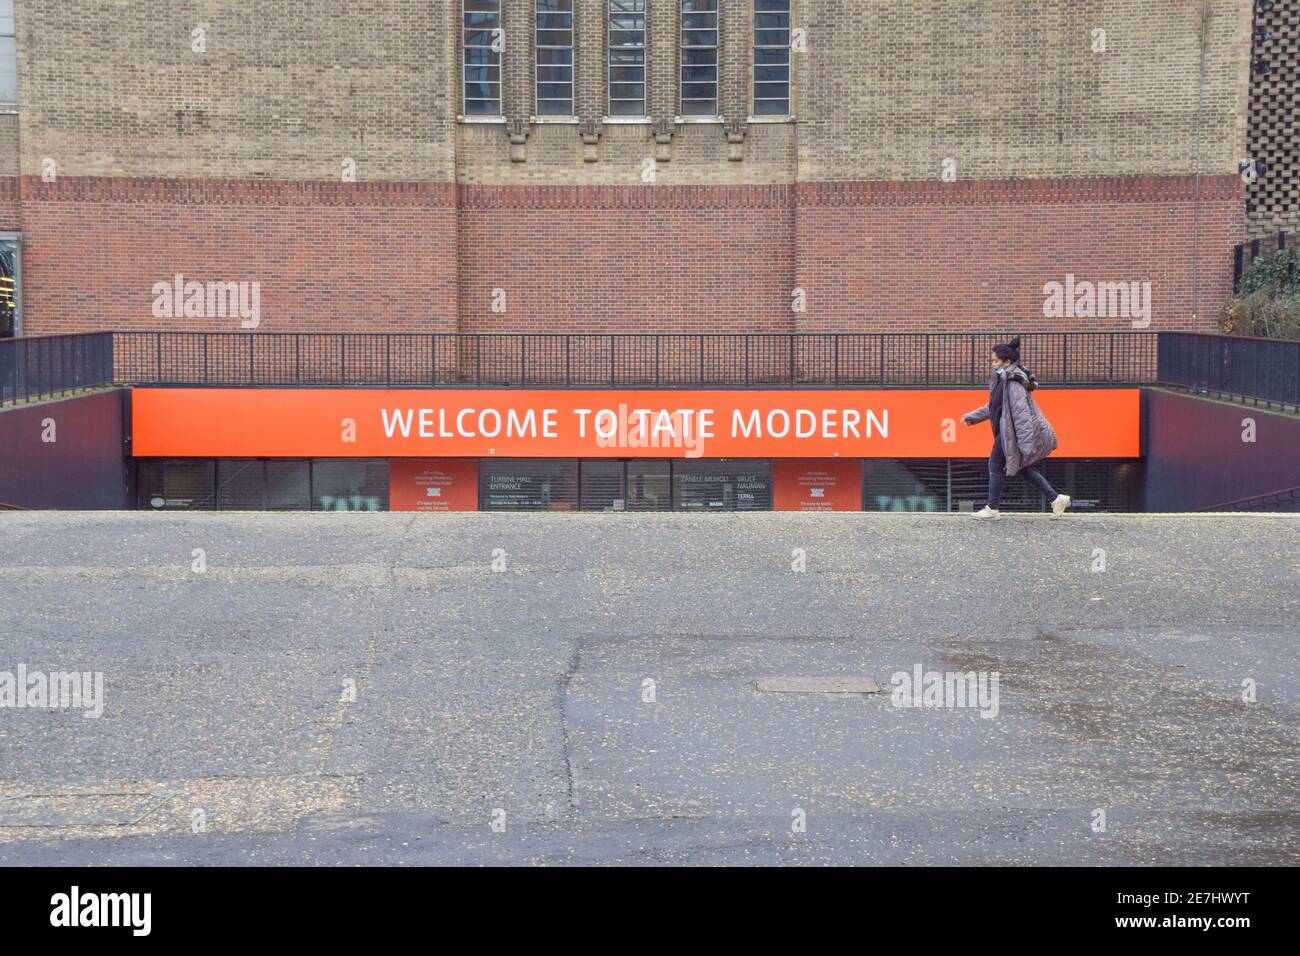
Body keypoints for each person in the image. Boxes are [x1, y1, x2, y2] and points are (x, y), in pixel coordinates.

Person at [962, 336, 1071, 520]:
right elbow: (994, 407)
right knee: (1021, 469)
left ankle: (992, 509)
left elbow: (1022, 415)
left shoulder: (1013, 383)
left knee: (995, 464)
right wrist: (971, 417)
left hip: (1010, 435)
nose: (993, 364)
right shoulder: (1002, 380)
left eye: (996, 361)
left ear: (1008, 362)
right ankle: (1056, 499)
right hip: (1006, 433)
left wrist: (1025, 444)